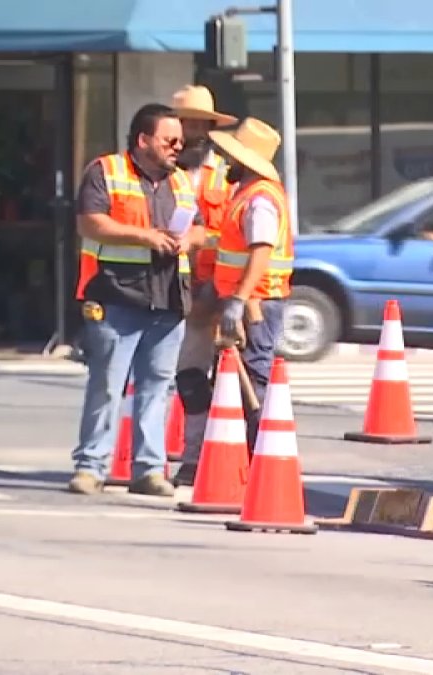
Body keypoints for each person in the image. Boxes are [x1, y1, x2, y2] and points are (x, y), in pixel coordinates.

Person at [68, 103, 206, 497]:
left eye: (179, 140)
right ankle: (91, 466)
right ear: (143, 140)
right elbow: (90, 223)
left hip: (168, 300)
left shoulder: (179, 181)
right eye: (169, 140)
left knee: (159, 388)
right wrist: (146, 236)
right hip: (117, 295)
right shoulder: (106, 171)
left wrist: (186, 240)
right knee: (107, 385)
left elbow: (200, 231)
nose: (177, 146)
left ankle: (148, 469)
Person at [207, 117, 295, 453]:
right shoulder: (250, 194)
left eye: (232, 158)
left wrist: (238, 300)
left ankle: (260, 453)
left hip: (255, 304)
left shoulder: (259, 199)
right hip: (251, 302)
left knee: (255, 381)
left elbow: (261, 251)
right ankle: (250, 453)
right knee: (243, 379)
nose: (227, 163)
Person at [168, 85, 240, 487]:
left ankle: (206, 458)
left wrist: (203, 242)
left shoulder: (226, 174)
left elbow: (232, 232)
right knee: (180, 376)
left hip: (210, 287)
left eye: (200, 124)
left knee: (204, 375)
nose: (192, 132)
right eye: (186, 123)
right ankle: (183, 457)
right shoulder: (160, 173)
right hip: (164, 286)